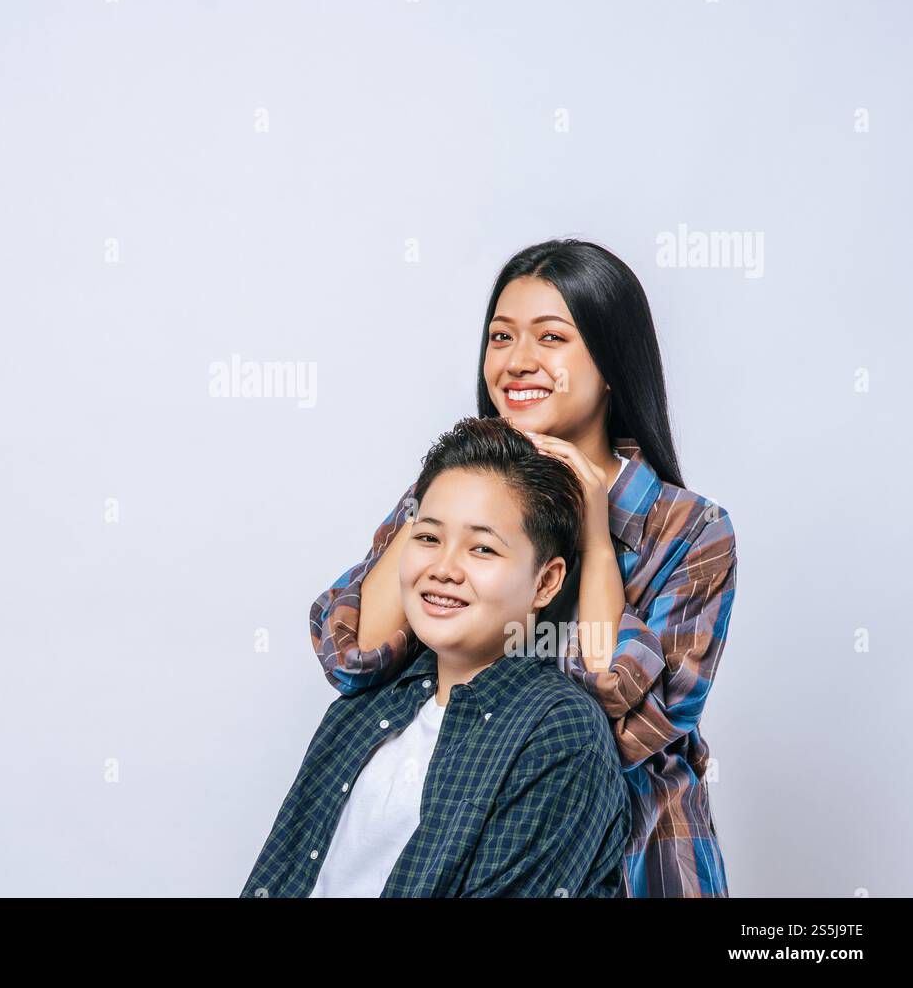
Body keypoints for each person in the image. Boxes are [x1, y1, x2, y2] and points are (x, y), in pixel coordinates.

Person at [310, 238, 737, 898]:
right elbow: (353, 655)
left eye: (551, 337)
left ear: (612, 361)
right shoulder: (457, 494)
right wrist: (451, 480)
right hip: (468, 851)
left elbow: (620, 720)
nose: (517, 361)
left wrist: (594, 531)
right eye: (501, 336)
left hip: (638, 863)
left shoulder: (689, 530)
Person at [243, 416, 629, 898]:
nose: (443, 569)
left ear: (546, 582)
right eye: (428, 538)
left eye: (482, 548)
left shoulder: (559, 732)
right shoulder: (362, 710)